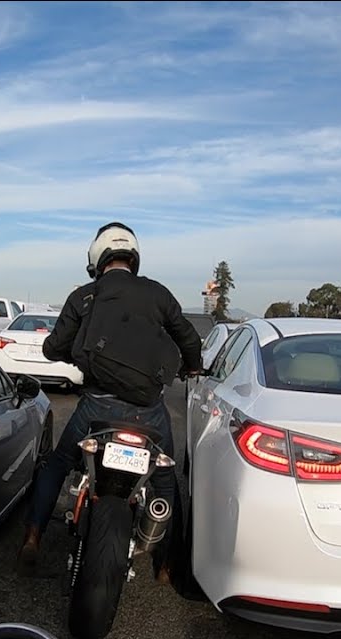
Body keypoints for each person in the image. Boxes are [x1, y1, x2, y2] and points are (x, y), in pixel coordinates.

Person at [20, 221, 203, 581]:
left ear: (96, 257)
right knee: (166, 481)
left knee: (57, 465)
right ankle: (166, 564)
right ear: (133, 257)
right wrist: (193, 368)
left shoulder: (84, 295)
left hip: (96, 408)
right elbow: (190, 340)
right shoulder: (159, 294)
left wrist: (72, 354)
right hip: (149, 411)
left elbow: (54, 346)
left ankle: (32, 537)